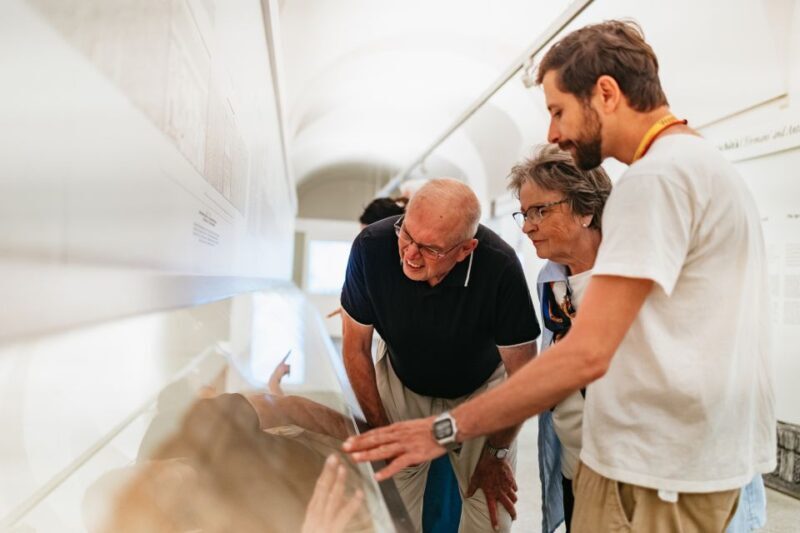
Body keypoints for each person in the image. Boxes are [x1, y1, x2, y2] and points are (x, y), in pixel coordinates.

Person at [344, 20, 775, 533]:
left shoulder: (656, 179)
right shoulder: (703, 164)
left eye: (557, 110)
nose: (553, 133)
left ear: (606, 93)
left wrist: (442, 429)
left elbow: (585, 353)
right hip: (691, 465)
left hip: (652, 472)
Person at [509, 144, 767, 532]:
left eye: (540, 211)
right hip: (577, 469)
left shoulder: (643, 276)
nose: (528, 226)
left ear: (586, 210)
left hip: (642, 481)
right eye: (524, 213)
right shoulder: (551, 279)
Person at [340, 178, 540, 532]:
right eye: (406, 235)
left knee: (491, 513)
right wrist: (383, 433)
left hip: (481, 389)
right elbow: (355, 348)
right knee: (389, 513)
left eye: (431, 249)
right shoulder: (371, 247)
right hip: (403, 382)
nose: (410, 254)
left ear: (465, 249)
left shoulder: (500, 266)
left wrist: (495, 453)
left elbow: (524, 377)